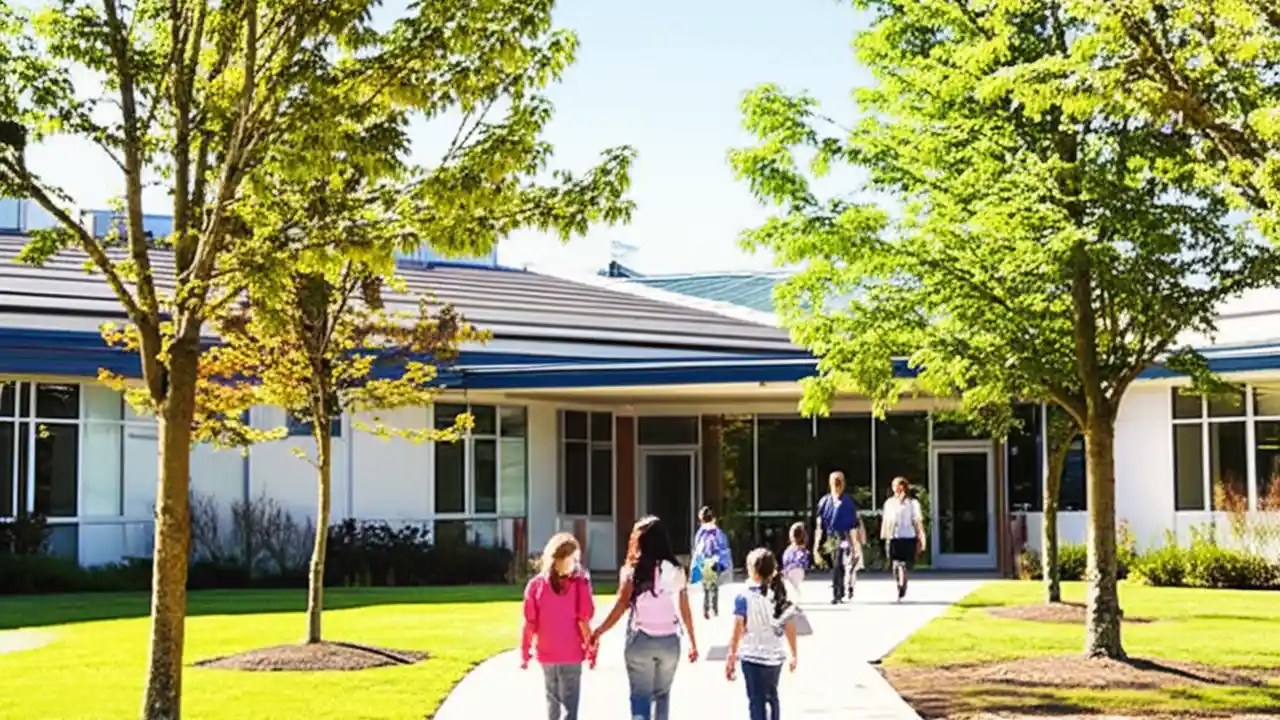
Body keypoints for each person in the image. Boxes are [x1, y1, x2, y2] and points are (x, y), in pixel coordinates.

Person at [591, 516, 699, 720]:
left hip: (640, 638)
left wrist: (599, 631)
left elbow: (621, 606)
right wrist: (693, 642)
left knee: (640, 696)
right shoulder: (677, 570)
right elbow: (685, 610)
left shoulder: (632, 572)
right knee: (662, 695)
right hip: (669, 640)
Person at [521, 532, 596, 720]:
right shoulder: (580, 583)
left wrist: (525, 651)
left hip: (547, 653)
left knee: (552, 703)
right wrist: (591, 649)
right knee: (570, 706)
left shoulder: (536, 585)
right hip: (571, 653)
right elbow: (584, 619)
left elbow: (530, 623)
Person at [724, 547, 799, 720]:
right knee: (772, 696)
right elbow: (789, 626)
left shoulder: (743, 595)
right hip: (775, 656)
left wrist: (731, 655)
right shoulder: (781, 593)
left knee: (756, 700)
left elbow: (738, 628)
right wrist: (794, 653)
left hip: (751, 656)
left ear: (752, 571)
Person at [813, 471, 864, 604]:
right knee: (835, 564)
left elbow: (854, 523)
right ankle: (841, 588)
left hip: (844, 536)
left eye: (839, 481)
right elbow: (820, 523)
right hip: (830, 537)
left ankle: (838, 593)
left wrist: (855, 544)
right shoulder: (824, 501)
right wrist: (817, 543)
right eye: (835, 481)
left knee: (839, 563)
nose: (837, 484)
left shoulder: (848, 502)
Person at [880, 476, 926, 601]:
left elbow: (917, 521)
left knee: (903, 564)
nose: (896, 489)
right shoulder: (889, 503)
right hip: (894, 537)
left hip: (908, 536)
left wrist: (921, 537)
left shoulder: (913, 503)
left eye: (899, 486)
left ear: (904, 488)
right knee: (895, 564)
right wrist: (884, 537)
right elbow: (886, 521)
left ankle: (903, 584)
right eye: (894, 486)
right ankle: (898, 583)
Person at [692, 505, 733, 620]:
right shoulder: (717, 532)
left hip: (703, 560)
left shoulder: (700, 532)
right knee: (714, 586)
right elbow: (723, 546)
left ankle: (705, 608)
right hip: (715, 560)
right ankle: (714, 609)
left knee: (705, 586)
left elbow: (697, 547)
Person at [780, 522, 811, 599]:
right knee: (794, 588)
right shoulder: (802, 550)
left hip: (791, 570)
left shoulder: (790, 549)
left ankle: (794, 601)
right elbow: (804, 561)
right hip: (796, 570)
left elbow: (786, 561)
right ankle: (795, 601)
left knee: (792, 588)